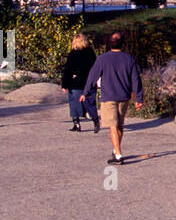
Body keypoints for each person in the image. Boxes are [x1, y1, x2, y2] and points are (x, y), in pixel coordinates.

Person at [82, 32, 143, 166]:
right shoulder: (129, 59)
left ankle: (118, 155)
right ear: (123, 43)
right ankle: (116, 151)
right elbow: (136, 79)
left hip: (109, 97)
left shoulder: (103, 59)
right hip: (124, 96)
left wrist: (85, 92)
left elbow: (92, 76)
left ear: (109, 43)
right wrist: (139, 98)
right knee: (119, 125)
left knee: (113, 126)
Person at [60, 33, 100, 132]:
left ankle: (76, 124)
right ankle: (95, 120)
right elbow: (95, 67)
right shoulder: (90, 52)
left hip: (75, 82)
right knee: (90, 102)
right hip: (89, 81)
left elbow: (68, 69)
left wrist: (64, 84)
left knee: (74, 102)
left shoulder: (72, 53)